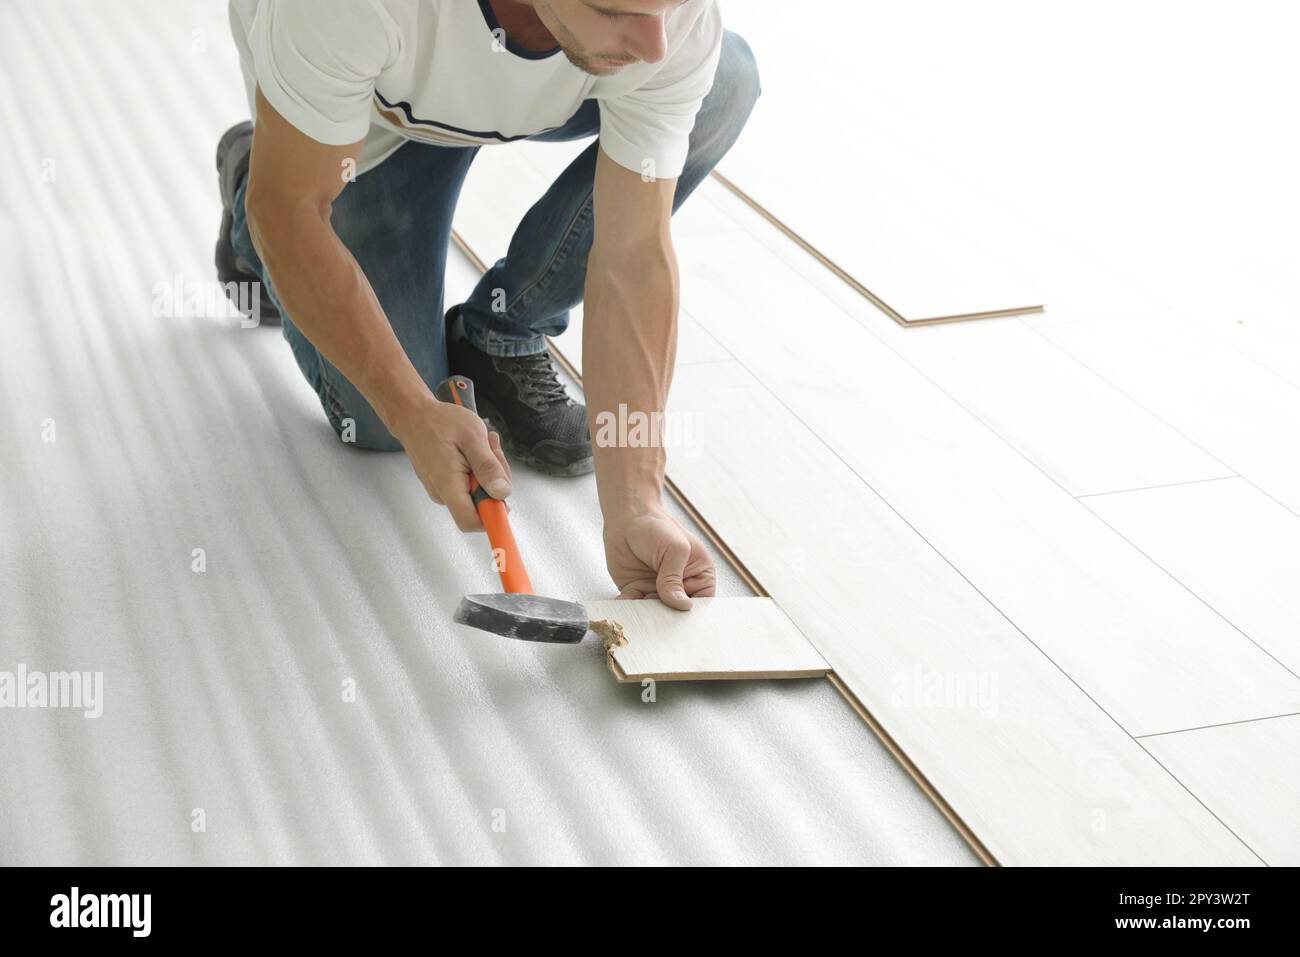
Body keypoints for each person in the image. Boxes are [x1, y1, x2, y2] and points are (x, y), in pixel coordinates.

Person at [218, 0, 759, 607]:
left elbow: (633, 254)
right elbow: (291, 214)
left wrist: (637, 501)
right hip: (370, 129)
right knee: (378, 426)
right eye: (615, 8)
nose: (655, 42)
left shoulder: (662, 28)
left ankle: (498, 334)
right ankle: (256, 176)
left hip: (514, 77)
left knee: (723, 80)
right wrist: (411, 410)